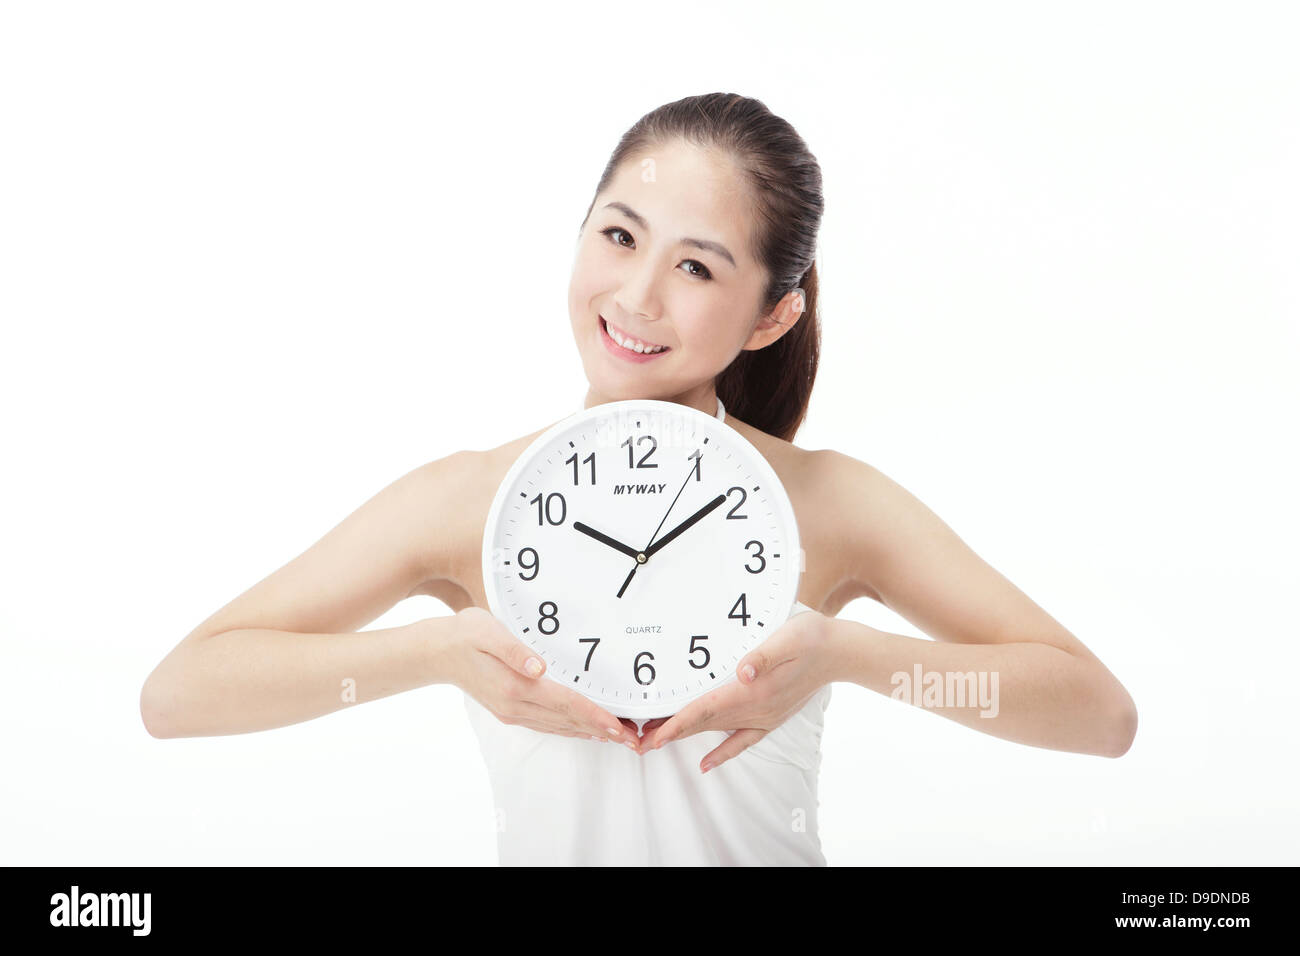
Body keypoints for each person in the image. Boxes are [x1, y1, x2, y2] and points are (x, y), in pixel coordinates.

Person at [140, 92, 1138, 866]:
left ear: (771, 316)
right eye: (619, 236)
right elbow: (178, 693)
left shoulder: (831, 502)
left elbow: (1099, 713)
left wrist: (840, 654)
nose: (637, 295)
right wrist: (436, 651)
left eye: (697, 268)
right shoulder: (463, 501)